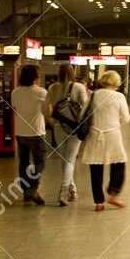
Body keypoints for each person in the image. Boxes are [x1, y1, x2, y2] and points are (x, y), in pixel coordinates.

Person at [79, 70, 130, 210]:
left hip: (95, 134)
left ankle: (99, 202)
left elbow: (83, 114)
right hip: (113, 134)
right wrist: (115, 122)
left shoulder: (93, 95)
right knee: (119, 164)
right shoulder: (119, 97)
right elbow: (126, 118)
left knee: (96, 167)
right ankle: (113, 194)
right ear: (115, 82)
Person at [46, 65, 89, 206]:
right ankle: (64, 191)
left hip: (58, 127)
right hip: (74, 129)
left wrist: (51, 121)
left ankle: (72, 190)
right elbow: (86, 107)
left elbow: (45, 107)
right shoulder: (79, 87)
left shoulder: (53, 88)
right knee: (70, 160)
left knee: (64, 160)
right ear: (73, 73)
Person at [10, 63, 48, 205]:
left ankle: (26, 192)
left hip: (20, 132)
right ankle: (33, 188)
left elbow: (15, 108)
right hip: (37, 132)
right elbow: (47, 109)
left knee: (24, 163)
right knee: (40, 161)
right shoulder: (41, 92)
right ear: (35, 77)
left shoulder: (15, 92)